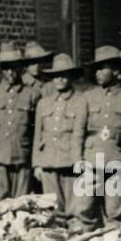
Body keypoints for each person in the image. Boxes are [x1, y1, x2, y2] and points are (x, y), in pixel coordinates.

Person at [73, 46, 121, 227]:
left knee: (116, 212)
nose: (98, 73)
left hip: (118, 162)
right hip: (91, 162)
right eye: (96, 69)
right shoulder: (87, 97)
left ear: (116, 70)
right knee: (84, 209)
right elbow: (78, 132)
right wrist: (77, 160)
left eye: (102, 68)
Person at [32, 53, 88, 212]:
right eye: (56, 76)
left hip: (68, 162)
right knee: (53, 208)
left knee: (72, 208)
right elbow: (38, 136)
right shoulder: (44, 103)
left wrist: (78, 162)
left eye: (64, 76)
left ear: (71, 77)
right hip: (48, 162)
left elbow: (79, 133)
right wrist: (37, 164)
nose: (60, 80)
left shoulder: (80, 101)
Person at [0, 43, 41, 200]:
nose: (10, 72)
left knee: (21, 203)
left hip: (22, 157)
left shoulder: (32, 95)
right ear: (0, 69)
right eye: (6, 68)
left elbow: (37, 130)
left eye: (14, 68)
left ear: (21, 68)